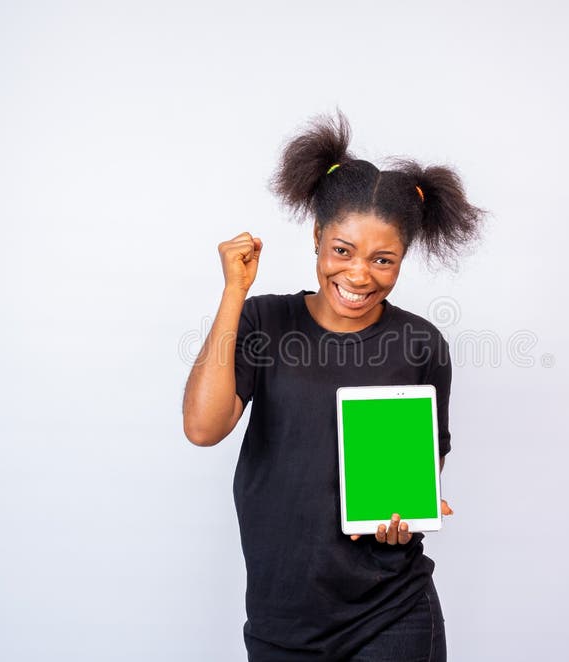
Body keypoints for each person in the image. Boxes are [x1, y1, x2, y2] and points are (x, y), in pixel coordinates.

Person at [182, 111, 484, 661]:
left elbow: (419, 474)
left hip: (392, 613)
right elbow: (204, 427)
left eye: (383, 259)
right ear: (318, 236)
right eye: (342, 250)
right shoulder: (264, 321)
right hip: (281, 617)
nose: (360, 275)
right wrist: (234, 292)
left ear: (402, 260)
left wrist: (406, 514)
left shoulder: (421, 343)